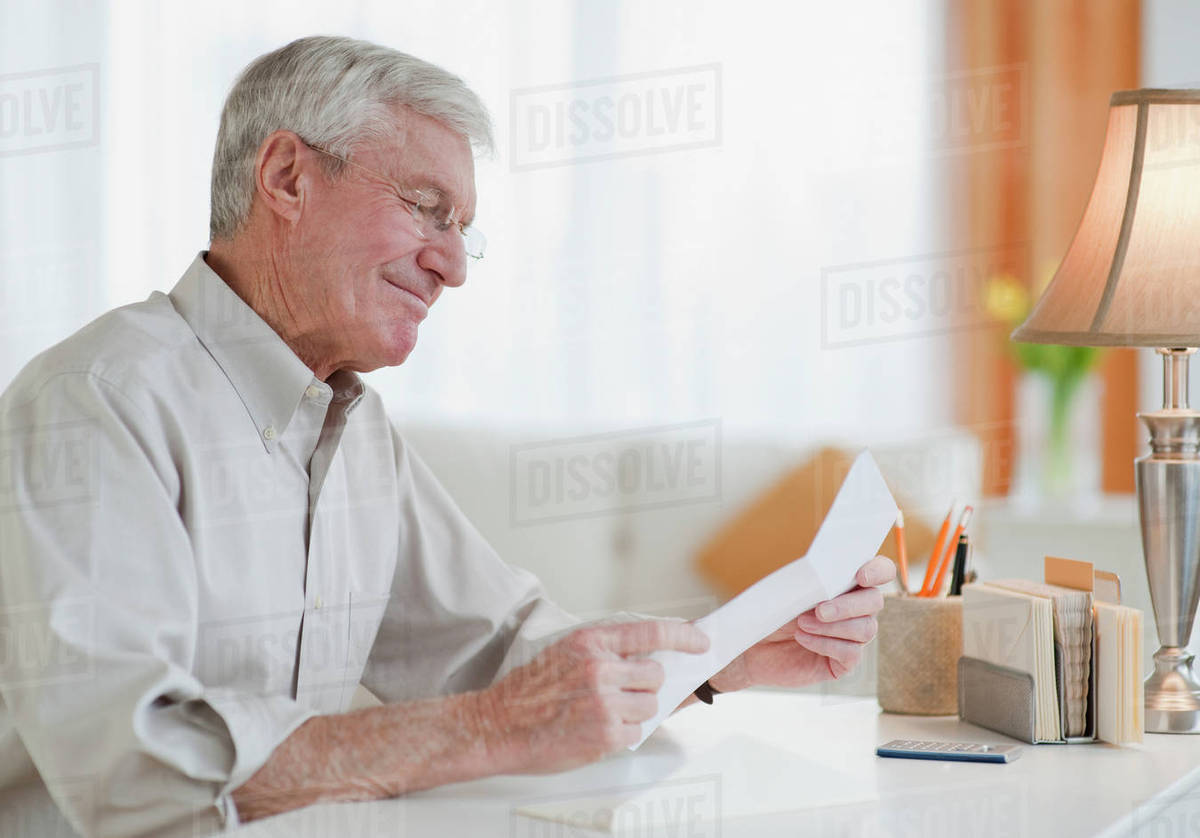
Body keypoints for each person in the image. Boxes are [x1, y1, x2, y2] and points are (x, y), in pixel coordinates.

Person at [0, 35, 895, 837]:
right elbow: (133, 776)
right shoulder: (97, 400)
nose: (455, 266)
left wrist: (725, 653)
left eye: (464, 230)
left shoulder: (356, 431)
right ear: (285, 178)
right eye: (428, 209)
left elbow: (502, 653)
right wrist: (492, 726)